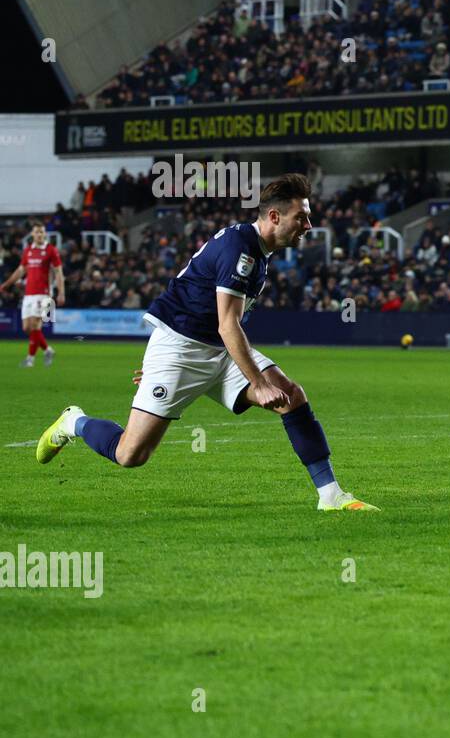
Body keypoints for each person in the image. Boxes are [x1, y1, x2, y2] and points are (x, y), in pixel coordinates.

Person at [33, 174, 378, 512]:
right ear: (274, 216)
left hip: (218, 349)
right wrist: (255, 382)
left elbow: (224, 325)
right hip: (181, 349)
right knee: (130, 455)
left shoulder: (258, 249)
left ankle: (330, 495)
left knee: (292, 395)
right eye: (301, 216)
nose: (308, 224)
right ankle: (74, 422)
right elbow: (228, 324)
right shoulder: (241, 250)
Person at [1, 223, 64, 367]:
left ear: (45, 234)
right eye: (37, 232)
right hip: (29, 293)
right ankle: (48, 350)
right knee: (26, 328)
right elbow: (20, 271)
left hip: (44, 293)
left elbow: (58, 272)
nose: (40, 235)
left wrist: (61, 292)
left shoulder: (51, 250)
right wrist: (6, 284)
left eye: (42, 232)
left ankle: (30, 359)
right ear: (32, 234)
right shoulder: (28, 251)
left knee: (35, 325)